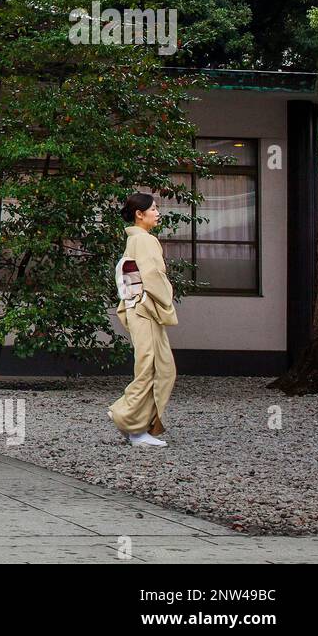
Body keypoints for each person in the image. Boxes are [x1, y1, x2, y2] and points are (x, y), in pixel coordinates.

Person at [108, 192, 178, 447]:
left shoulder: (136, 240)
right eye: (154, 208)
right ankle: (130, 421)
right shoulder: (145, 241)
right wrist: (164, 299)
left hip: (138, 307)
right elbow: (153, 276)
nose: (158, 212)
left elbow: (130, 275)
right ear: (140, 214)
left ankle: (135, 423)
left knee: (157, 366)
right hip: (145, 308)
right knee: (153, 367)